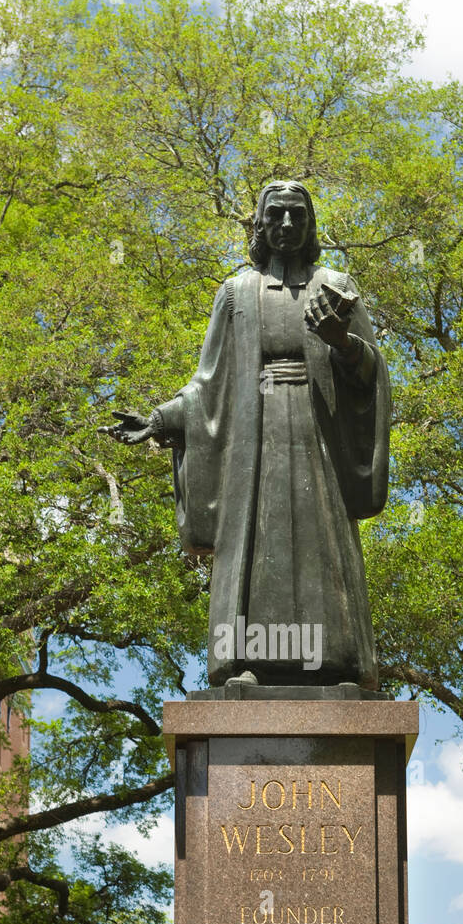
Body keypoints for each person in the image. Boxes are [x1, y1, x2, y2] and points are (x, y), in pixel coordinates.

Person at [102, 180, 391, 689]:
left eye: (296, 215)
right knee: (257, 543)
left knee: (321, 541)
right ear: (259, 224)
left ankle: (339, 661)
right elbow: (208, 383)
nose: (285, 225)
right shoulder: (237, 293)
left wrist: (341, 342)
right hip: (252, 440)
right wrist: (162, 418)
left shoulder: (336, 285)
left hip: (316, 430)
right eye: (275, 215)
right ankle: (247, 662)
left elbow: (371, 373)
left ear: (310, 224)